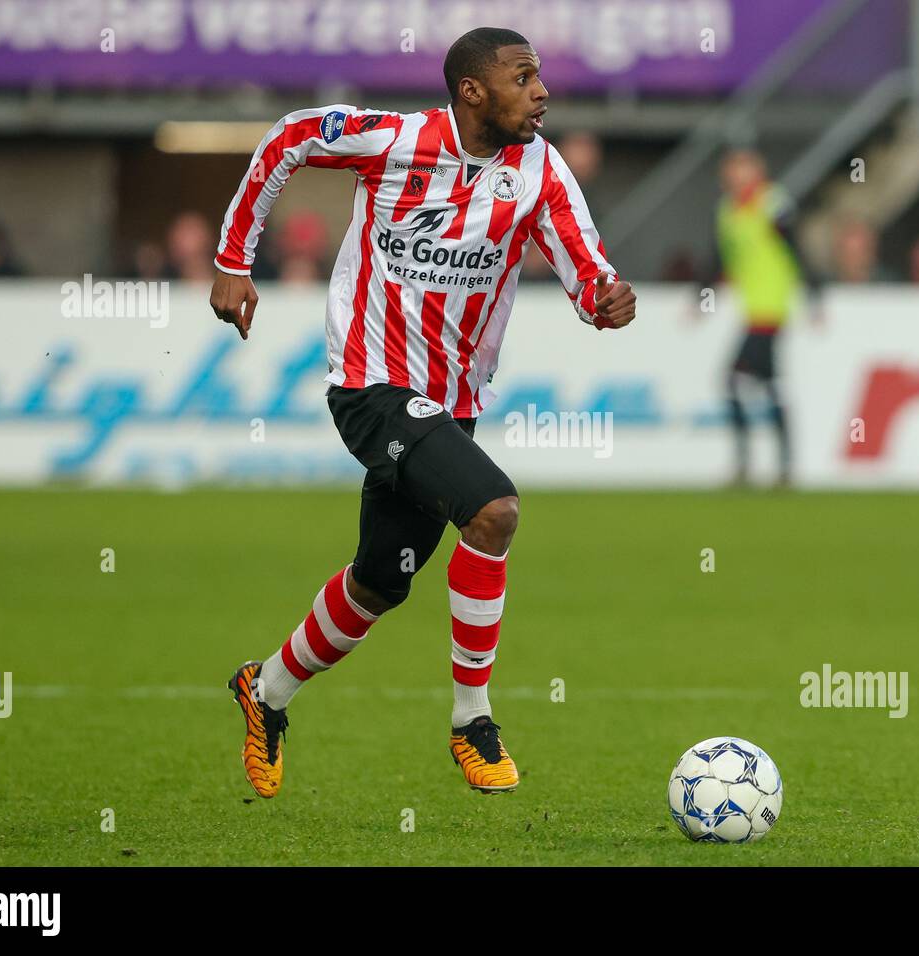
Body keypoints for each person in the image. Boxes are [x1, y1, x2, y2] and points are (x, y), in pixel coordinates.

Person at [209, 27, 636, 798]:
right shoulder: (394, 141)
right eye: (523, 77)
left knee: (381, 581)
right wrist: (234, 260)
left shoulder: (540, 171)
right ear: (472, 91)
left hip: (450, 405)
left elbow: (587, 269)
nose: (541, 91)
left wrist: (604, 299)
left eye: (539, 77)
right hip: (370, 385)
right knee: (494, 512)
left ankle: (265, 689)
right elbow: (290, 137)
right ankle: (473, 720)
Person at [703, 148, 819, 487]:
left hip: (771, 306)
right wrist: (702, 293)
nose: (735, 176)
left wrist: (813, 290)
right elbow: (721, 258)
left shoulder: (773, 203)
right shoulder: (727, 210)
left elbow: (794, 247)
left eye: (742, 168)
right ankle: (782, 465)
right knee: (769, 385)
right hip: (752, 308)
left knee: (734, 378)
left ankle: (749, 462)